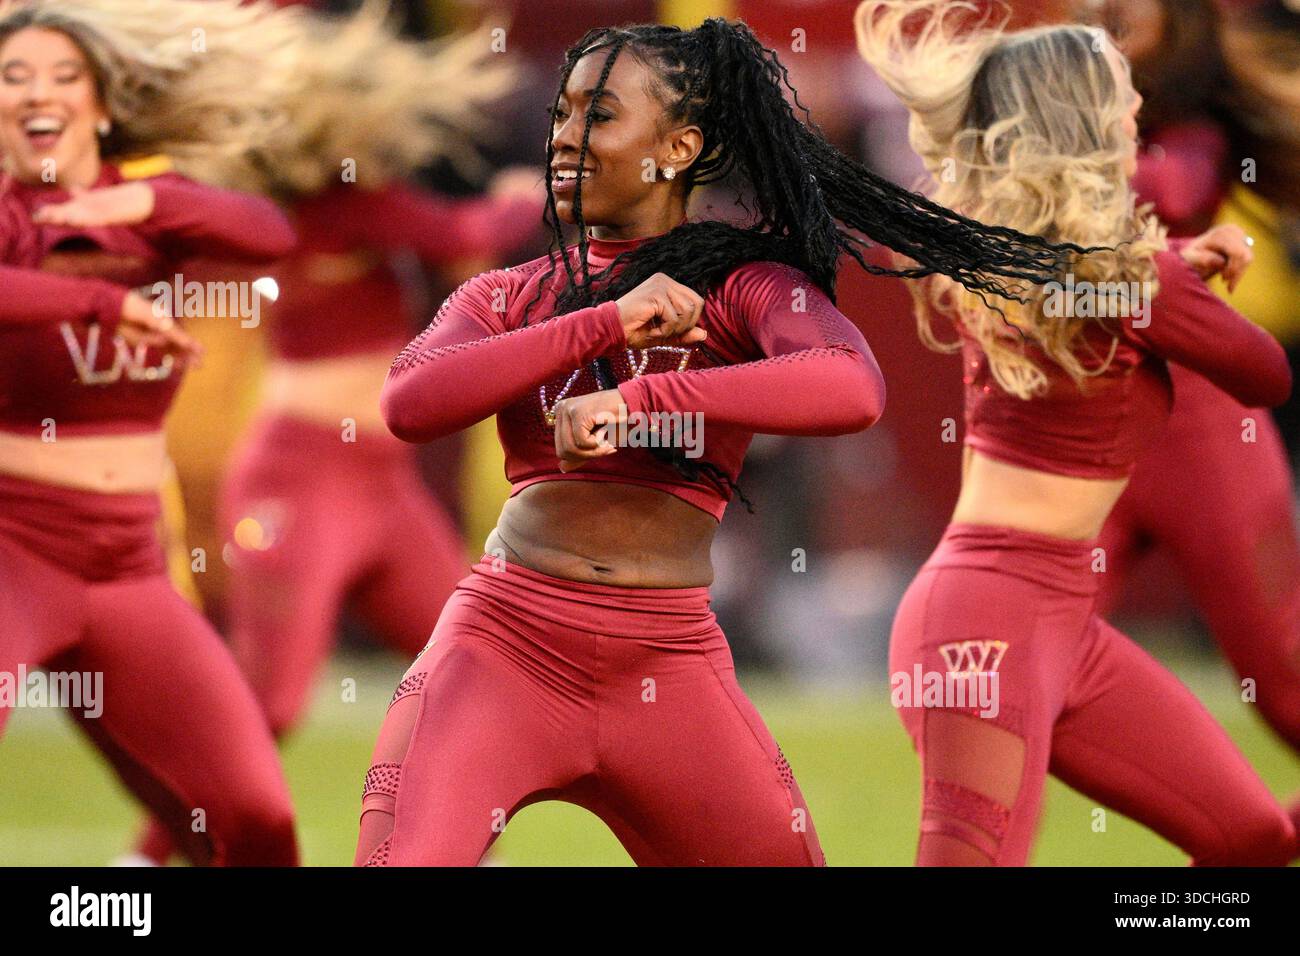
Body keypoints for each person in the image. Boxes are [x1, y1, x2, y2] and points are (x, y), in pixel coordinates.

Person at [356, 17, 1081, 866]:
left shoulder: (747, 286)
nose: (564, 136)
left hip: (669, 659)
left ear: (679, 146)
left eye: (600, 115)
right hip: (505, 643)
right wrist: (604, 323)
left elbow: (850, 386)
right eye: (562, 113)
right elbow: (411, 399)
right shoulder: (510, 293)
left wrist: (648, 397)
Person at [856, 0, 1296, 865]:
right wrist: (1180, 285)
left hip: (1062, 624)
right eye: (1116, 97)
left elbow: (1098, 291)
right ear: (1082, 122)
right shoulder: (1137, 282)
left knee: (1249, 839)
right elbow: (1264, 374)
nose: (1136, 107)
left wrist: (1168, 280)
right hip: (982, 626)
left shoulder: (1003, 253)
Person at [129, 3, 543, 866]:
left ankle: (436, 842)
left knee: (478, 662)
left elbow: (446, 247)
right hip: (299, 478)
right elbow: (464, 234)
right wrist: (523, 198)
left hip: (380, 488)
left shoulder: (336, 201)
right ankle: (143, 858)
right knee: (271, 702)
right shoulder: (347, 204)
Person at [0, 0, 301, 865]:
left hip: (126, 558)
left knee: (256, 821)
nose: (35, 94)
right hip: (14, 544)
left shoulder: (156, 206)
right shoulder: (12, 215)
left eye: (62, 76)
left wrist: (151, 198)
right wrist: (103, 301)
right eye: (13, 78)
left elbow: (269, 233)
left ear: (100, 103)